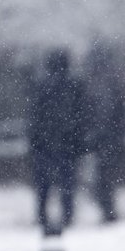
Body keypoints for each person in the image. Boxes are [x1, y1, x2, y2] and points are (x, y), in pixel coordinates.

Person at [27, 48, 88, 228]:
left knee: (43, 185)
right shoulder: (75, 85)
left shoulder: (41, 85)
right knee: (67, 183)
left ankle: (42, 216)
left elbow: (34, 116)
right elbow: (82, 115)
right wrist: (79, 140)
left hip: (44, 143)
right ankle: (67, 216)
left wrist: (35, 140)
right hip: (67, 142)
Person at [84, 44, 125, 223]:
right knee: (107, 174)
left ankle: (106, 206)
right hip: (110, 136)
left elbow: (87, 111)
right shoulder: (114, 81)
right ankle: (107, 208)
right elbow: (121, 112)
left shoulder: (91, 82)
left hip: (100, 136)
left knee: (102, 174)